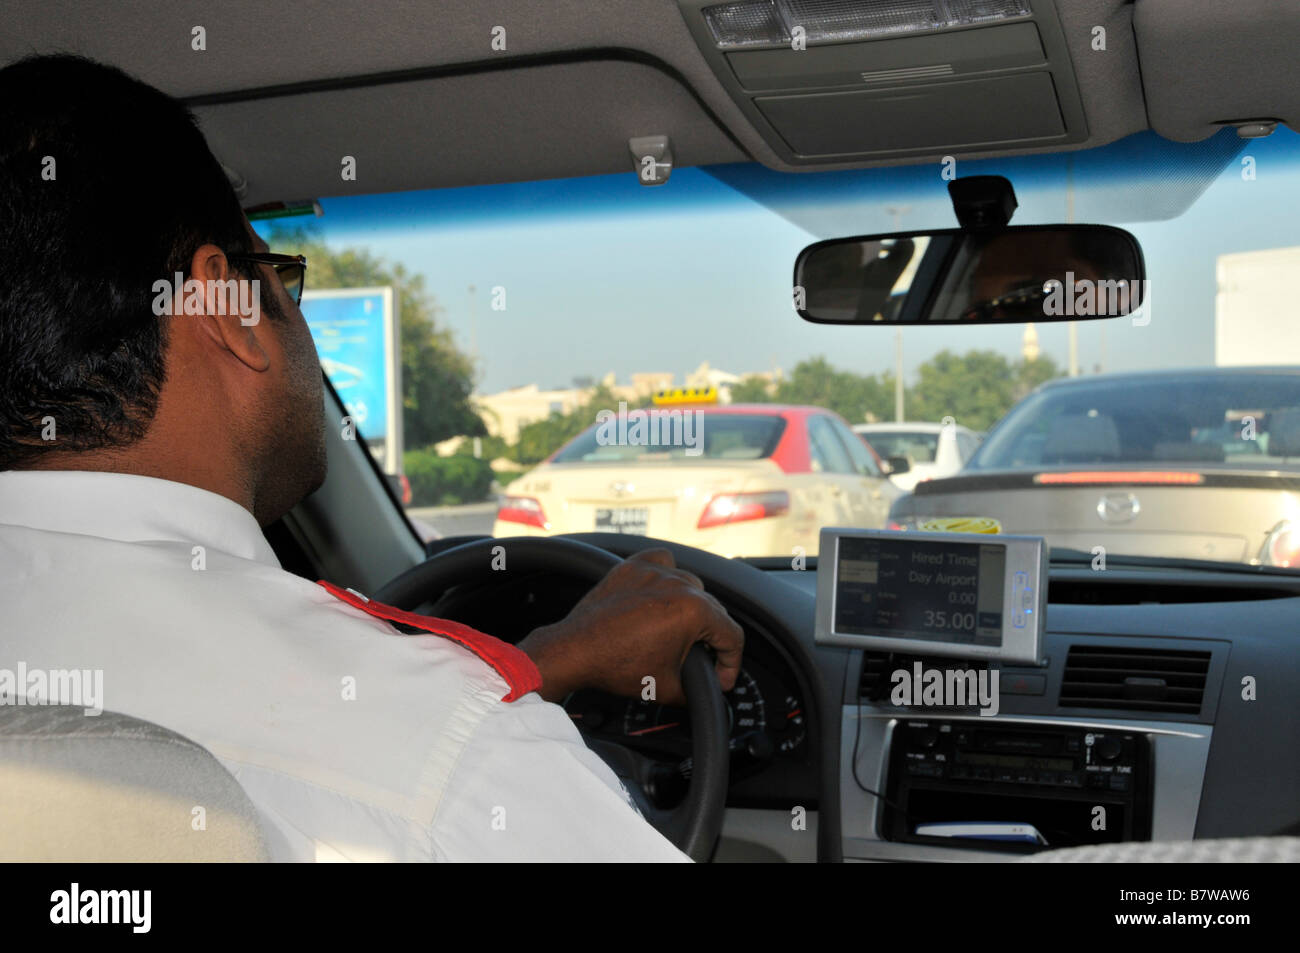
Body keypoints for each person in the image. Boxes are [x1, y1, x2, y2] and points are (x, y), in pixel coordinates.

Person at [0, 54, 744, 861]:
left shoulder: (427, 738)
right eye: (278, 273)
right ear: (227, 309)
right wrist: (478, 709)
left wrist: (536, 667)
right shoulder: (460, 757)